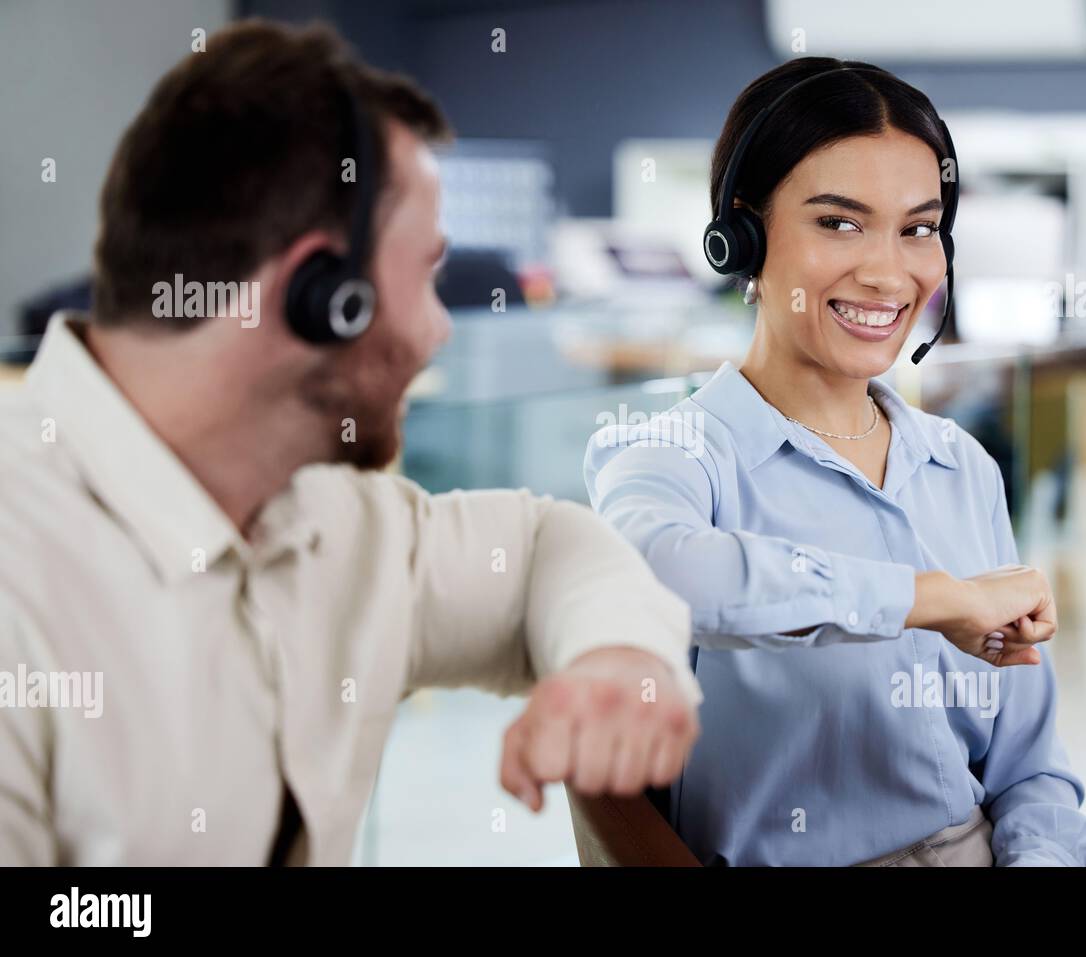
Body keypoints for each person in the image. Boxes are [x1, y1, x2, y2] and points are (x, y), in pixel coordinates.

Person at [0, 20, 701, 865]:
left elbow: (544, 548)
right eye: (428, 275)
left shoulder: (330, 516)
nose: (442, 331)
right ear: (322, 295)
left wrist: (617, 654)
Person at [585, 57, 1086, 866]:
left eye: (919, 228)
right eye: (838, 222)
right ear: (741, 237)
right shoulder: (668, 454)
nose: (887, 271)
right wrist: (927, 598)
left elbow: (1030, 772)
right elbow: (665, 578)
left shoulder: (963, 468)